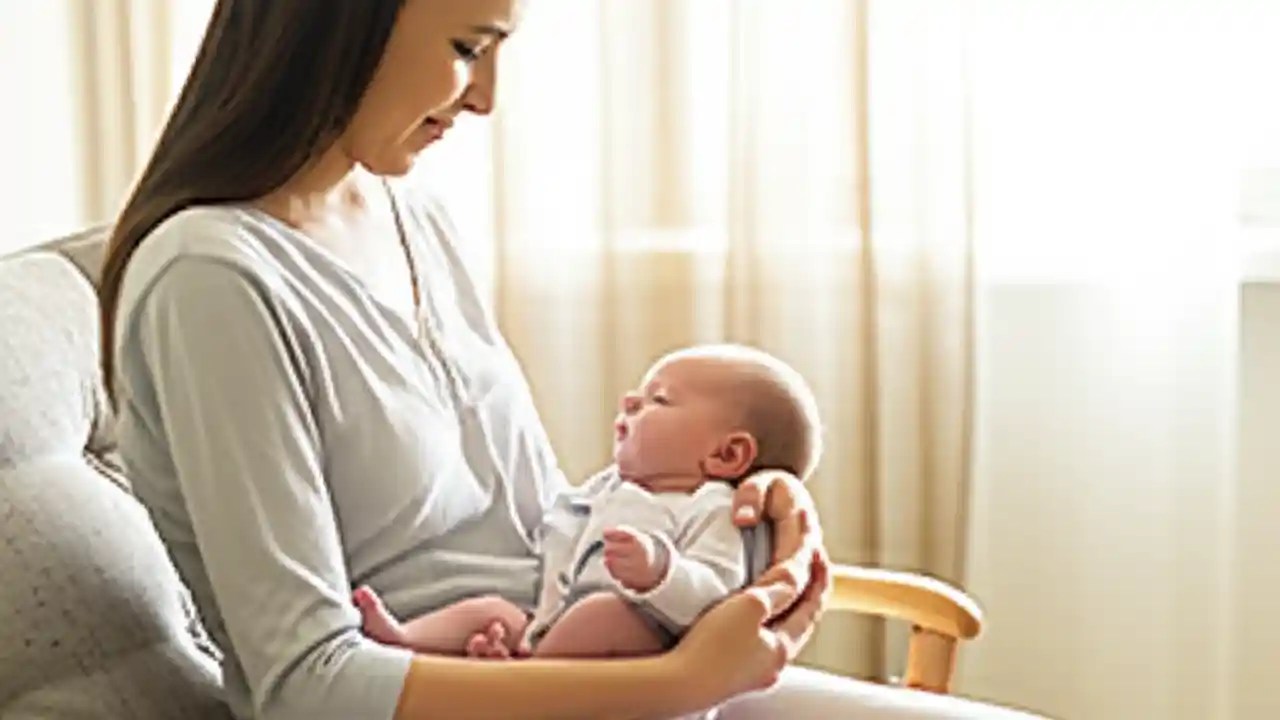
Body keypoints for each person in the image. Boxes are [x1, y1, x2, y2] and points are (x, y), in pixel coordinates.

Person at [100, 1, 1030, 719]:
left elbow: (546, 525)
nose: (487, 97)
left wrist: (732, 515)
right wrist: (675, 681)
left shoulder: (407, 212)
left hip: (587, 665)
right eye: (468, 46)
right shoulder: (211, 282)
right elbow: (307, 685)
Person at [352, 344, 822, 660]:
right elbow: (558, 521)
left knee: (606, 616)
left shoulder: (716, 509)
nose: (629, 403)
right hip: (551, 622)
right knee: (492, 610)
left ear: (727, 454)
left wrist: (661, 570)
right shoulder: (611, 487)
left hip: (644, 649)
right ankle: (405, 639)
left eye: (658, 399)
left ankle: (526, 683)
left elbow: (716, 593)